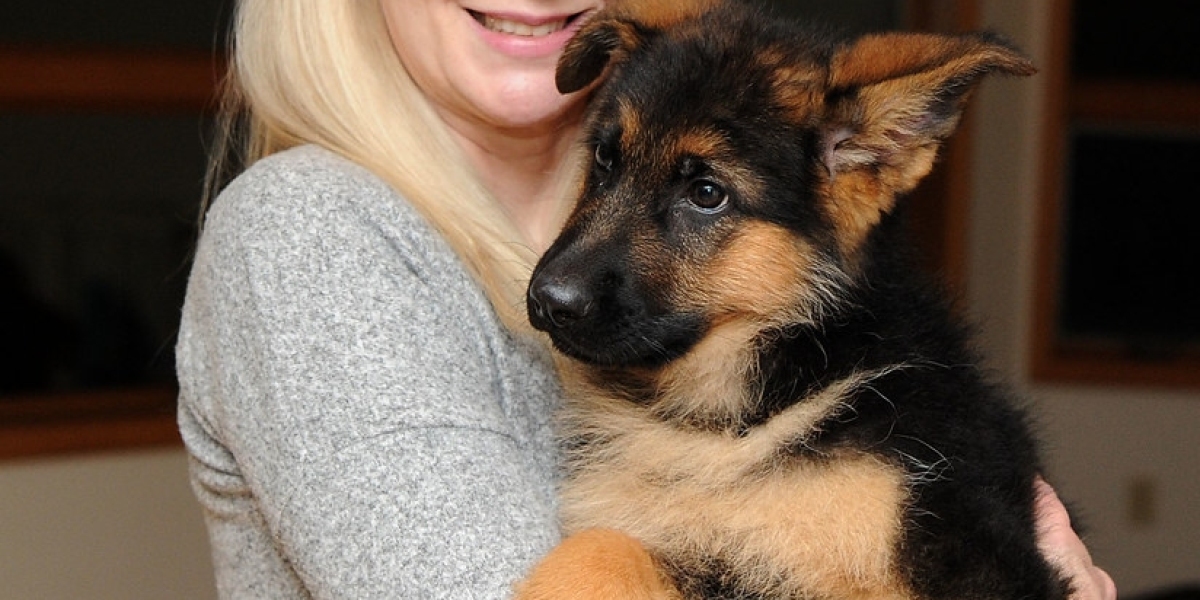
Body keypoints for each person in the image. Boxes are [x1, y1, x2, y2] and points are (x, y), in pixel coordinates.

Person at [175, 1, 1117, 598]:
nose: (565, 278)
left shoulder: (887, 430)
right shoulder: (308, 232)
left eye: (702, 194)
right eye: (614, 167)